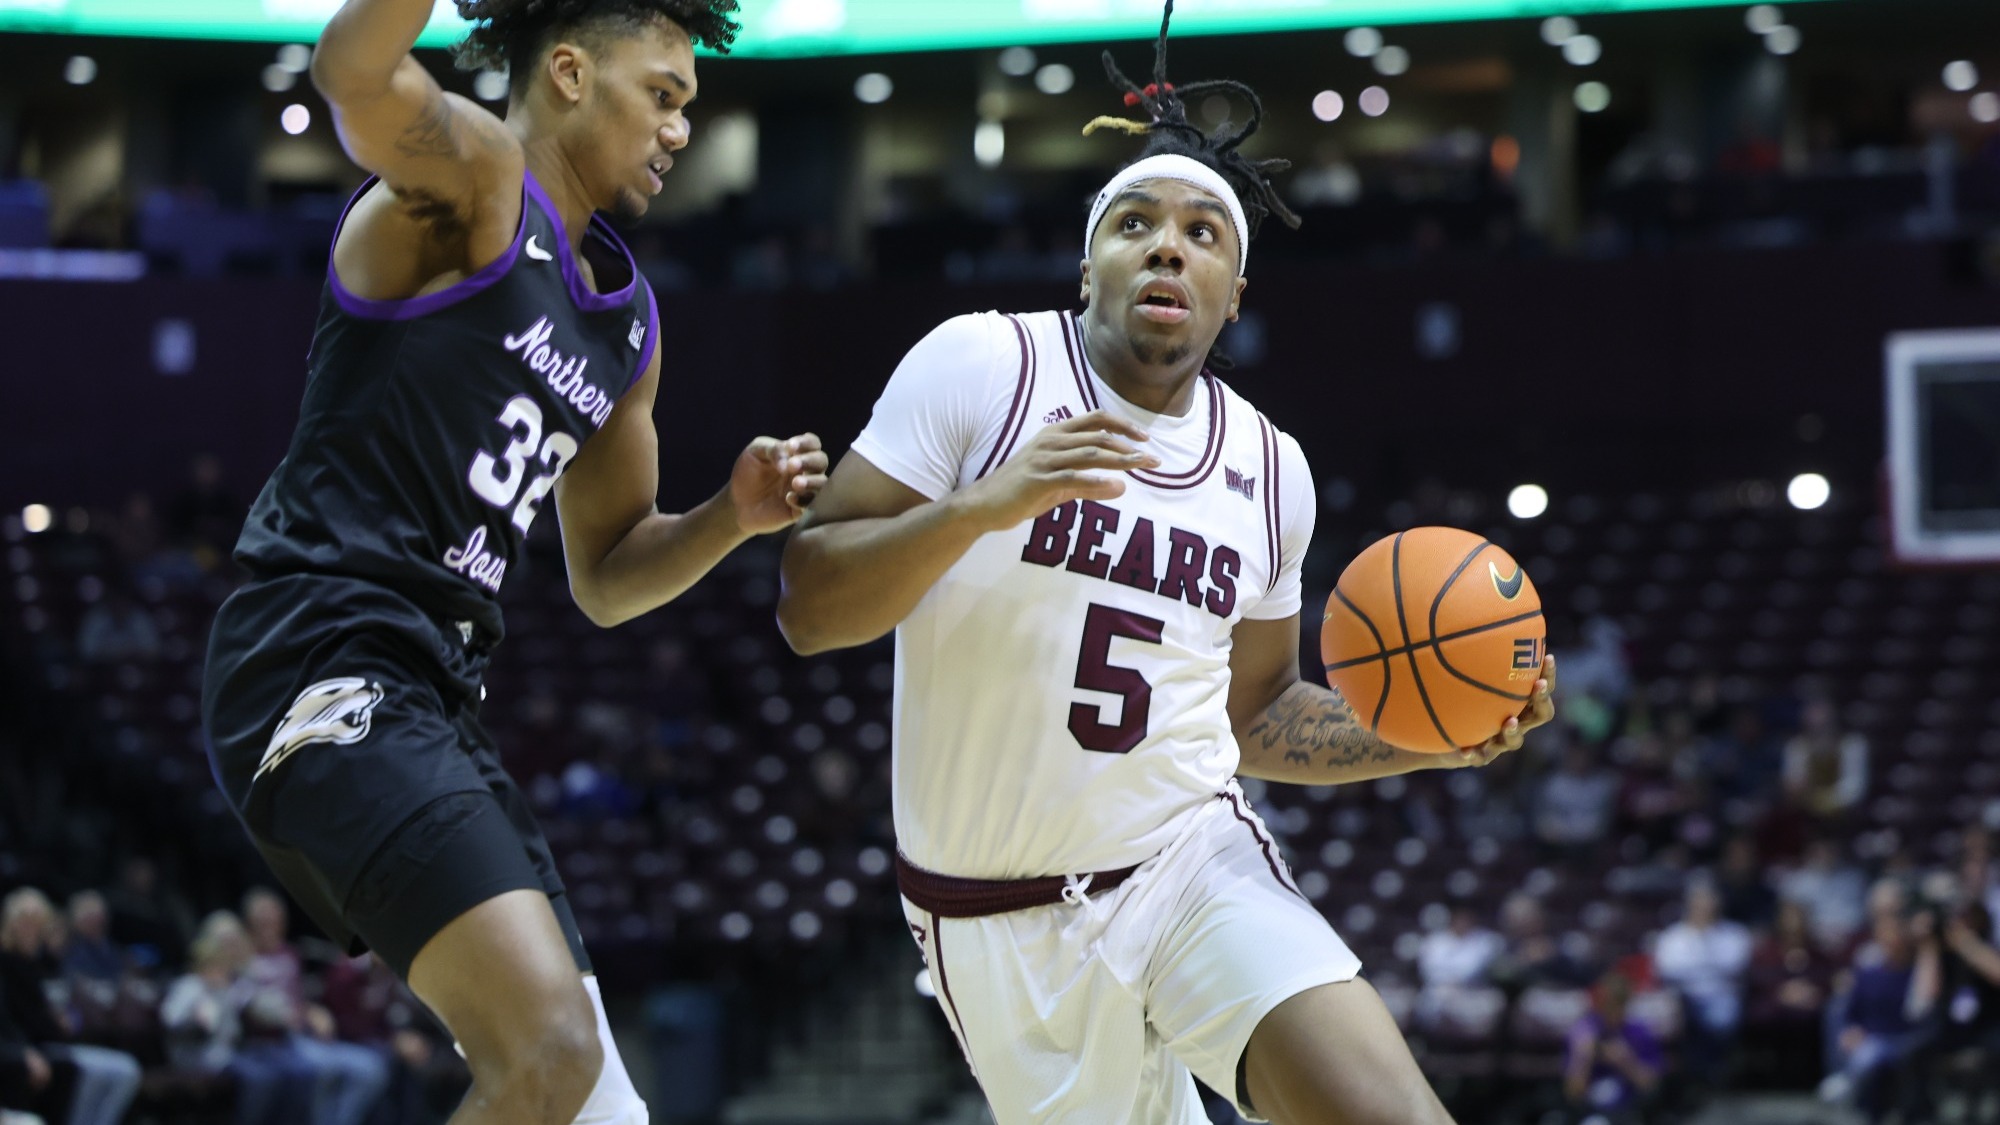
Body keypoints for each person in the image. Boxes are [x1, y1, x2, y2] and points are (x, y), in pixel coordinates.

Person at [775, 5, 1556, 1121]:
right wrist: (983, 509)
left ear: (1232, 291)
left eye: (1204, 232)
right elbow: (810, 604)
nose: (1167, 244)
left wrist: (1433, 732)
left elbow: (1256, 717)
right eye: (1134, 221)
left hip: (1187, 865)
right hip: (991, 918)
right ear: (1087, 263)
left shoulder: (1268, 466)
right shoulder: (980, 368)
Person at [197, 2, 830, 1124]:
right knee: (545, 1054)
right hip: (321, 652)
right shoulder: (479, 180)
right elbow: (354, 75)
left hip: (436, 694)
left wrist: (728, 519)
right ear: (573, 74)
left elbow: (607, 572)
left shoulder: (626, 319)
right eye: (664, 96)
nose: (681, 130)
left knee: (595, 1105)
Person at [239, 889, 389, 1125]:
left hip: (300, 1039)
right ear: (250, 925)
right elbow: (246, 1004)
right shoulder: (243, 961)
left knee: (371, 1068)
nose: (270, 927)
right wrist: (288, 1015)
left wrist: (312, 1010)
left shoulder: (290, 954)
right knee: (321, 1071)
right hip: (267, 1044)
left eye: (275, 921)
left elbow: (297, 1000)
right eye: (263, 922)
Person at [0, 891, 141, 1125]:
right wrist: (25, 1051)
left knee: (126, 1070)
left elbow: (61, 1008)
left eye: (37, 923)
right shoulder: (6, 962)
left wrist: (67, 1019)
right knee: (85, 1072)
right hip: (27, 1046)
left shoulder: (44, 961)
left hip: (48, 1043)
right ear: (11, 923)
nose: (31, 929)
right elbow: (11, 1021)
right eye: (25, 922)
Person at [1652, 880, 1752, 1089]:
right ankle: (1687, 1078)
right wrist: (1707, 967)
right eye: (1699, 903)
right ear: (1690, 905)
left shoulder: (1734, 934)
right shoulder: (1672, 937)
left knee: (1721, 1017)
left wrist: (1700, 957)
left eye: (1708, 902)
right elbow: (1667, 969)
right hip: (1681, 997)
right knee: (1675, 1013)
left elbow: (1735, 965)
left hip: (1720, 995)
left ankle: (1710, 1074)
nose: (1704, 907)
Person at [1562, 971, 1662, 1125]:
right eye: (1607, 1005)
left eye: (1618, 1004)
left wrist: (1625, 1061)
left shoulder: (1638, 1031)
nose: (1612, 1012)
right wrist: (1583, 1058)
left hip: (1629, 1108)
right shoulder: (1583, 1032)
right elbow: (1573, 1094)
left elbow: (1650, 1086)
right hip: (1590, 1110)